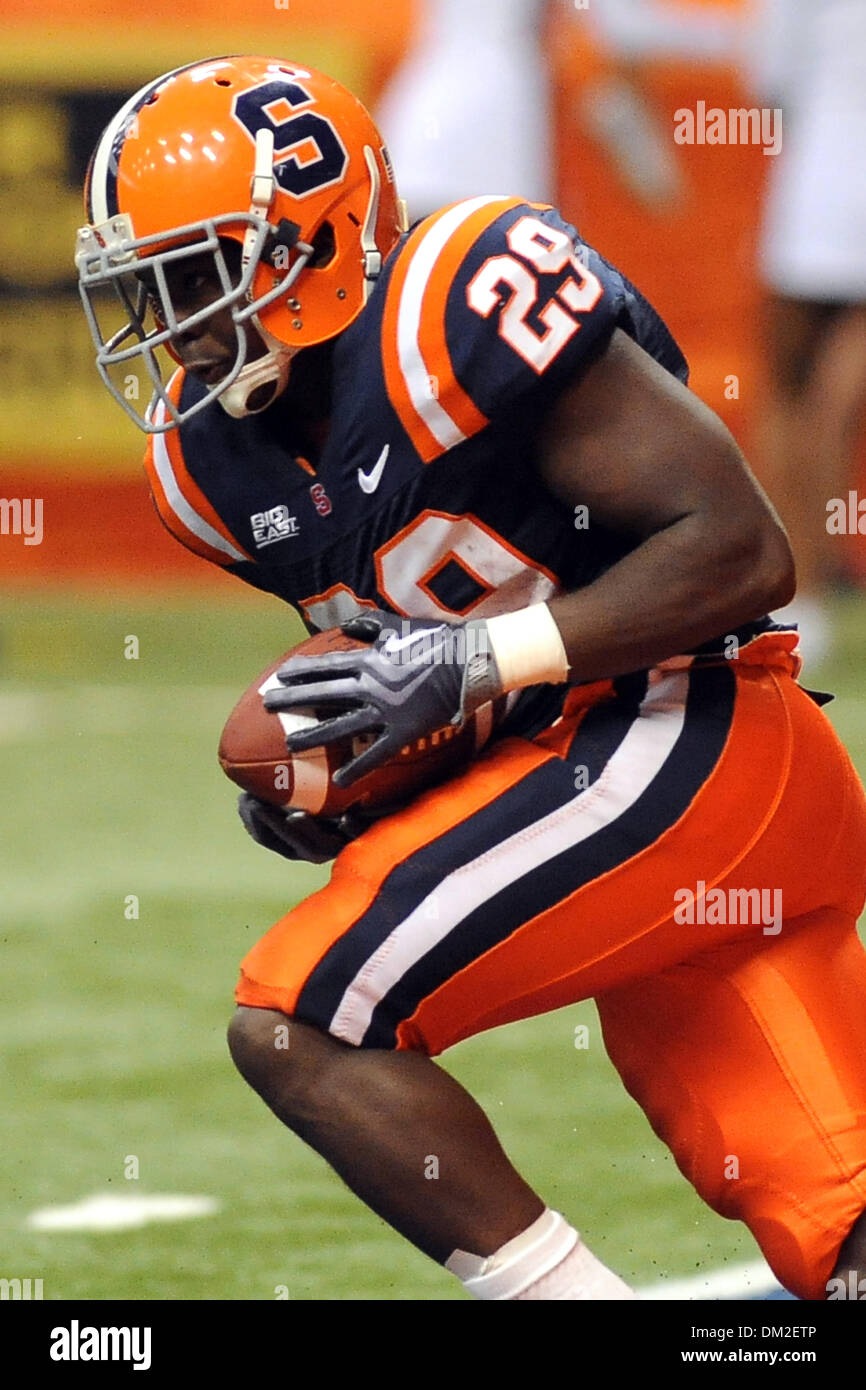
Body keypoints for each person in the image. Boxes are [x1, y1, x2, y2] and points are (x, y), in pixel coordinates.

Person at [76, 55, 866, 1301]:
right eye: (147, 281)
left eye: (195, 268)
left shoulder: (456, 302)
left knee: (302, 1016)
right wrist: (339, 774)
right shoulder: (212, 475)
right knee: (840, 1230)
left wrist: (465, 662)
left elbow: (740, 552)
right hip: (657, 814)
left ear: (305, 246)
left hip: (692, 740)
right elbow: (415, 679)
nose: (170, 313)